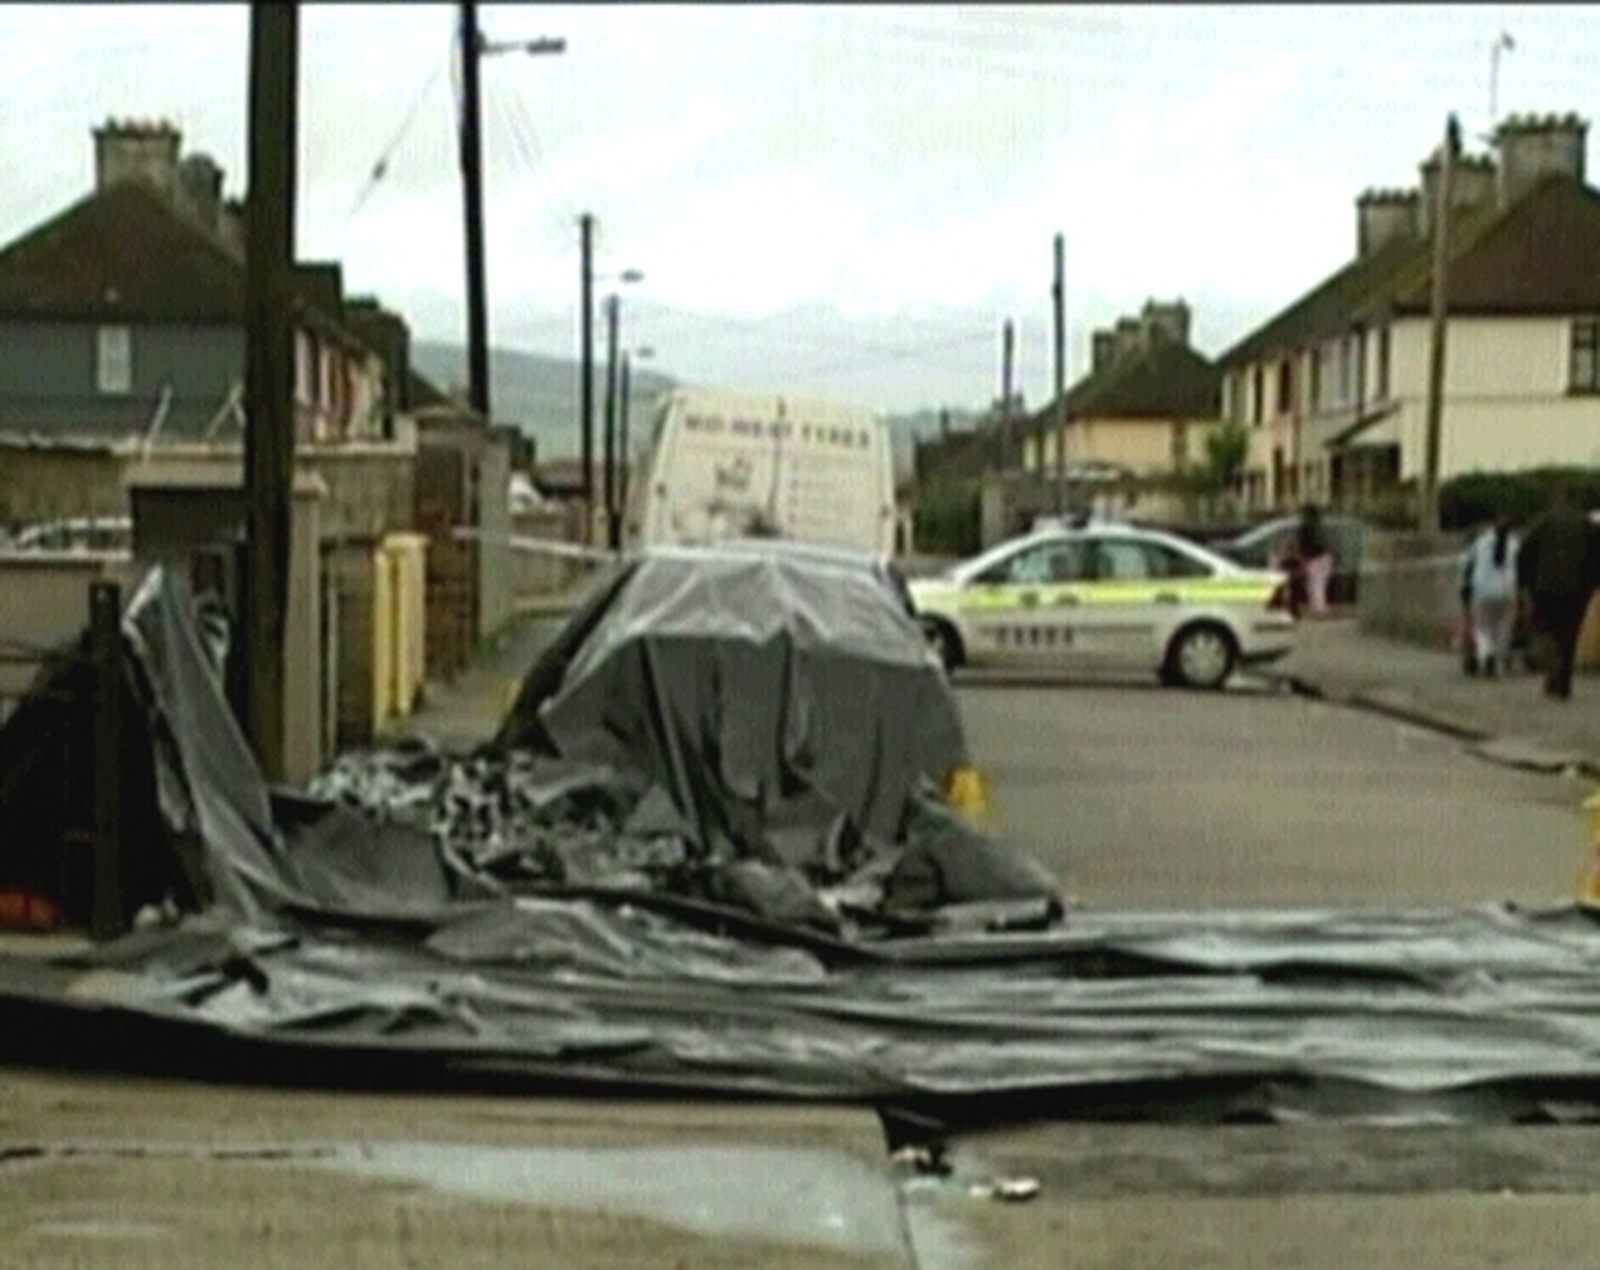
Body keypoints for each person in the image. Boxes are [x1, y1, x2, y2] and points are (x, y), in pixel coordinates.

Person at [1516, 483, 1599, 700]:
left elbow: (1524, 555)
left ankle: (1554, 673)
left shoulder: (1542, 524)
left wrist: (1525, 587)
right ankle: (1564, 680)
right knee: (1569, 635)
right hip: (1577, 589)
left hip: (1545, 588)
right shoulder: (1588, 526)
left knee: (1550, 632)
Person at [1461, 512, 1519, 678]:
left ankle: (1487, 654)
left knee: (1482, 627)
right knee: (1503, 628)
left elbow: (1467, 563)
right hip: (1508, 590)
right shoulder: (1514, 544)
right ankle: (1499, 659)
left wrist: (1465, 587)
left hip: (1483, 591)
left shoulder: (1481, 542)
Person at [1295, 503, 1334, 617]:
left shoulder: (1305, 526)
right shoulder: (1320, 525)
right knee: (1318, 584)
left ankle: (1318, 608)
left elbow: (1304, 544)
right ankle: (1318, 607)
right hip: (1324, 557)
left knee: (1314, 584)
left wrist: (1303, 558)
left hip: (1314, 558)